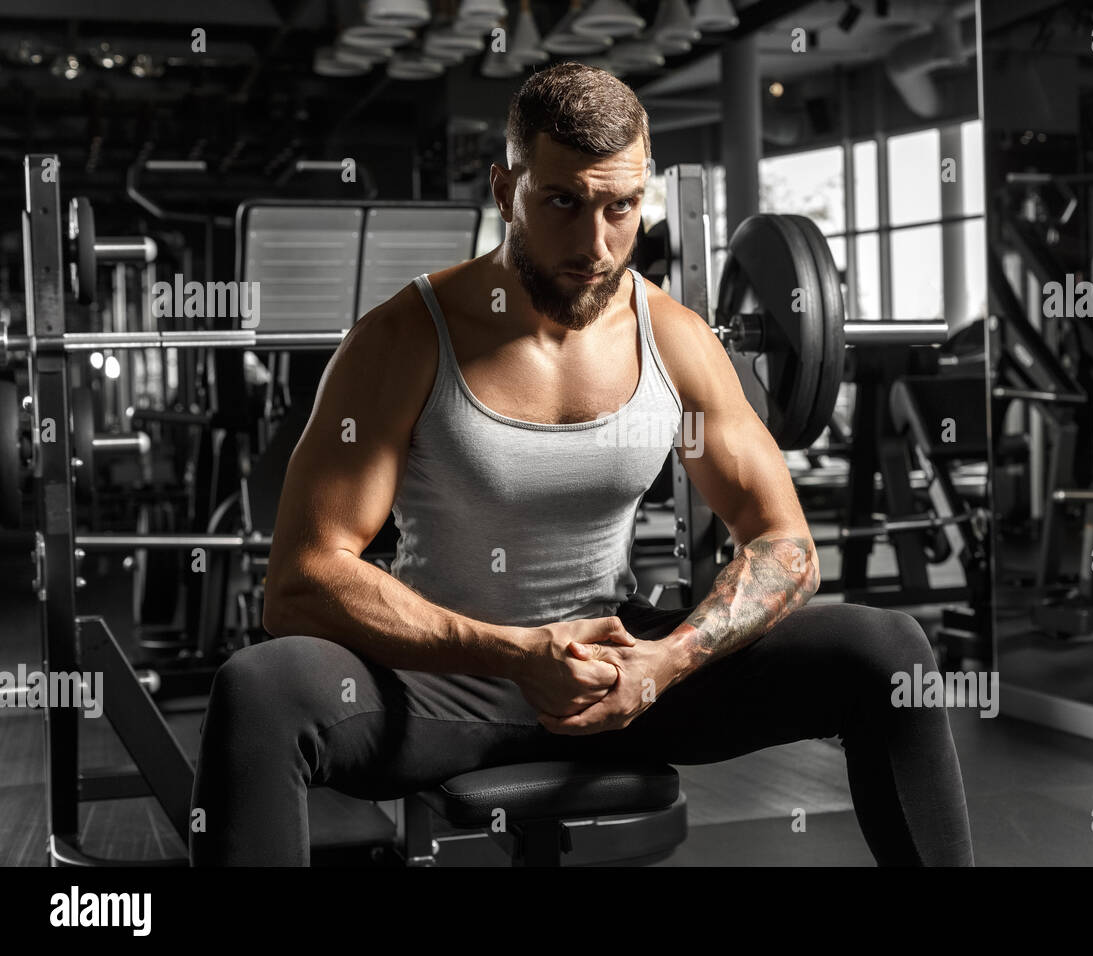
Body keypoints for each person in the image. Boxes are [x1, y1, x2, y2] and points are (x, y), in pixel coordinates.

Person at [189, 61, 974, 867]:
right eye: (561, 202)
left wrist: (666, 662)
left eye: (620, 207)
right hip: (449, 687)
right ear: (505, 192)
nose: (594, 245)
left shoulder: (674, 338)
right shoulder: (403, 339)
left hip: (624, 678)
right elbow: (301, 579)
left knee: (887, 652)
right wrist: (514, 654)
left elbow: (786, 546)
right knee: (262, 690)